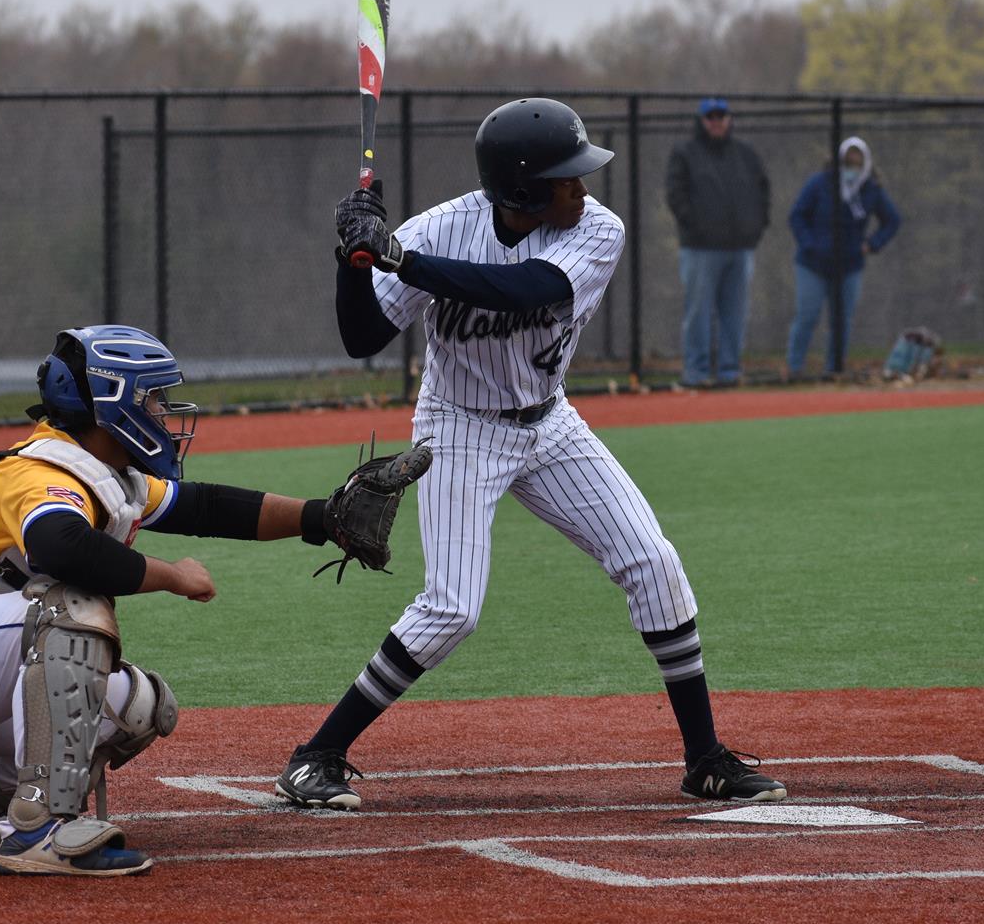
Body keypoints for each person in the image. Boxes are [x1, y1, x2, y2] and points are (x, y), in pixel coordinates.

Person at [286, 97, 788, 811]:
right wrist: (353, 259)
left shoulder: (596, 231)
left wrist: (402, 257)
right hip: (458, 424)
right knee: (452, 606)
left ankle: (705, 758)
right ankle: (317, 756)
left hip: (550, 422)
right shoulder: (441, 228)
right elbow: (362, 335)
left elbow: (531, 291)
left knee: (654, 562)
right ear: (521, 190)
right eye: (566, 177)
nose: (582, 187)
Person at [0, 323, 421, 879]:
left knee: (137, 708)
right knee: (70, 606)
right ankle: (38, 830)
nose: (164, 414)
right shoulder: (43, 470)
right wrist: (172, 575)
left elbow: (206, 507)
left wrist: (321, 518)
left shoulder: (102, 471)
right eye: (153, 399)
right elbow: (60, 546)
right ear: (108, 401)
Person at [665, 96, 771, 387]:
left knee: (734, 314)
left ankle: (729, 371)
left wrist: (757, 228)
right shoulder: (685, 152)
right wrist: (696, 228)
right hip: (700, 249)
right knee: (698, 313)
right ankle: (696, 373)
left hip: (740, 248)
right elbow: (676, 195)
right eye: (710, 117)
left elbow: (763, 191)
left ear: (729, 119)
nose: (716, 121)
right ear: (701, 121)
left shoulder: (745, 154)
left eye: (721, 116)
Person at [786, 136, 902, 378]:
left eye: (856, 165)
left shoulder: (871, 190)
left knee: (841, 321)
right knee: (807, 316)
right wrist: (810, 243)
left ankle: (834, 369)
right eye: (847, 164)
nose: (851, 170)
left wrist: (871, 244)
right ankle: (794, 368)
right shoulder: (820, 184)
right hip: (813, 264)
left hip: (849, 266)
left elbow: (892, 220)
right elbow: (797, 215)